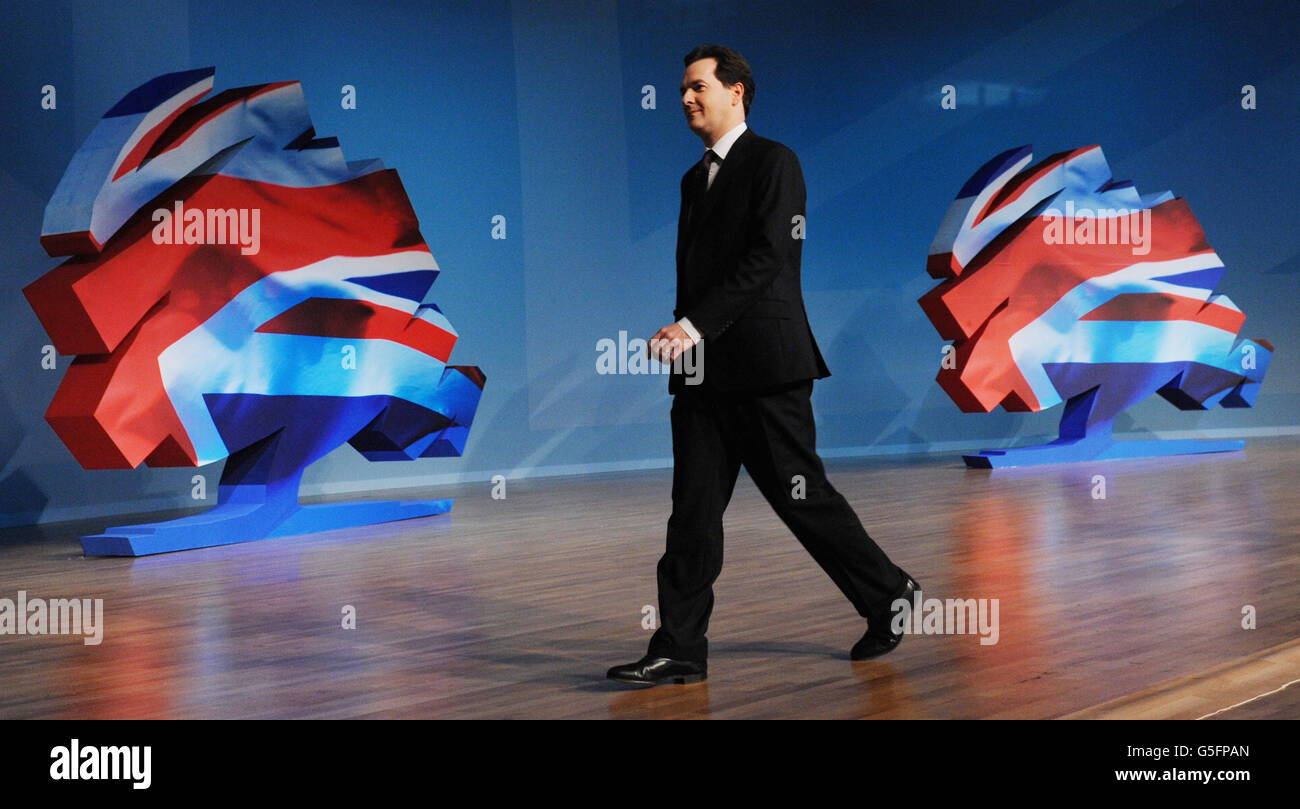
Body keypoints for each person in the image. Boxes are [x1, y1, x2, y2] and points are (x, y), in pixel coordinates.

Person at [607, 45, 918, 687]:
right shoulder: (694, 180)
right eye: (683, 90)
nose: (686, 99)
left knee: (802, 499)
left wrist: (691, 326)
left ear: (736, 91)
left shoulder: (776, 162)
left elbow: (769, 256)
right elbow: (697, 278)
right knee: (691, 514)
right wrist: (688, 342)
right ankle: (680, 649)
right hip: (701, 376)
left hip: (767, 369)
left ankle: (892, 594)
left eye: (698, 87)